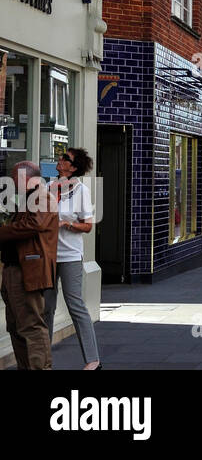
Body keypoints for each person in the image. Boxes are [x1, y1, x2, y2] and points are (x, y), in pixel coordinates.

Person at [43, 148, 100, 369]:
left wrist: (67, 224)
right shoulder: (48, 187)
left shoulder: (81, 191)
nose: (60, 159)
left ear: (73, 167)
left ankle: (93, 360)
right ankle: (43, 359)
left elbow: (87, 225)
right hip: (48, 255)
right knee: (46, 307)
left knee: (75, 305)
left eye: (65, 158)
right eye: (61, 156)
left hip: (70, 256)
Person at [0, 161, 57, 369]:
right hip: (15, 269)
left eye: (15, 177)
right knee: (16, 327)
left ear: (26, 177)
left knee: (31, 326)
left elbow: (34, 225)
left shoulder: (42, 196)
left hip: (27, 272)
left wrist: (3, 231)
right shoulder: (29, 198)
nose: (13, 181)